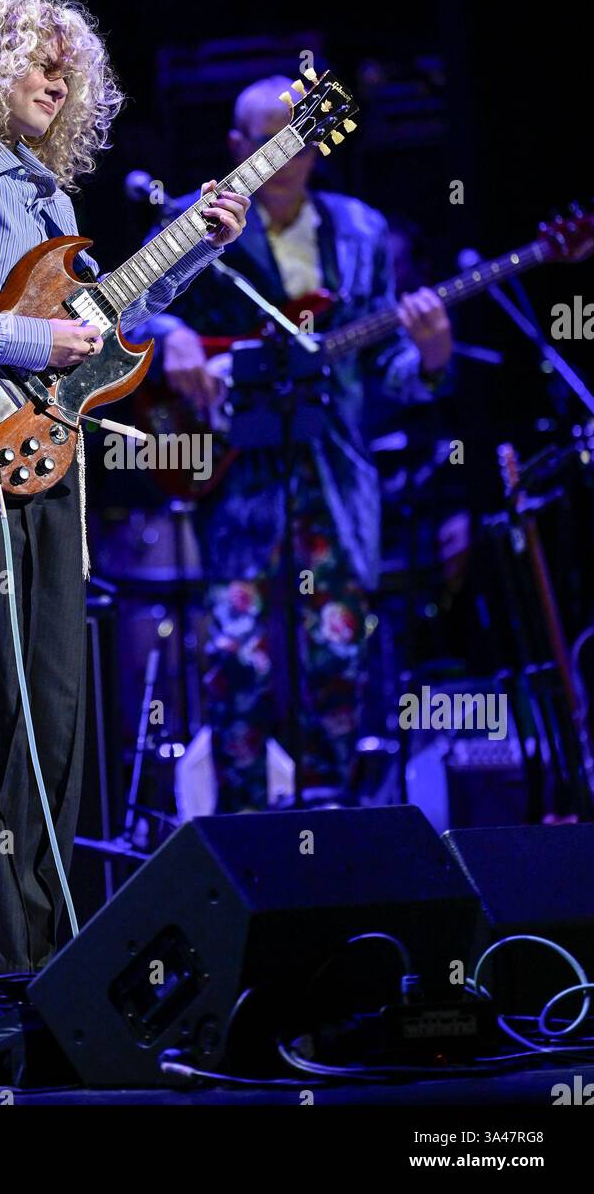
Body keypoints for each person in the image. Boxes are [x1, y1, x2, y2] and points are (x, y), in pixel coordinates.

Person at [0, 0, 248, 983]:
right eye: (39, 60)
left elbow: (97, 340)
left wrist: (189, 256)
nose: (58, 77)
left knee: (54, 711)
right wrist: (32, 335)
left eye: (69, 67)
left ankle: (47, 956)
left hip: (48, 464)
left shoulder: (52, 195)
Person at [140, 74, 452, 811]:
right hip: (235, 470)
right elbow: (123, 306)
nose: (286, 155)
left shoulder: (362, 232)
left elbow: (390, 371)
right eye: (267, 140)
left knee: (339, 658)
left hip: (334, 473)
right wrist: (174, 335)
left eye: (299, 137)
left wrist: (433, 355)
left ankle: (331, 830)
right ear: (236, 147)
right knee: (235, 660)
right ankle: (250, 843)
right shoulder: (198, 219)